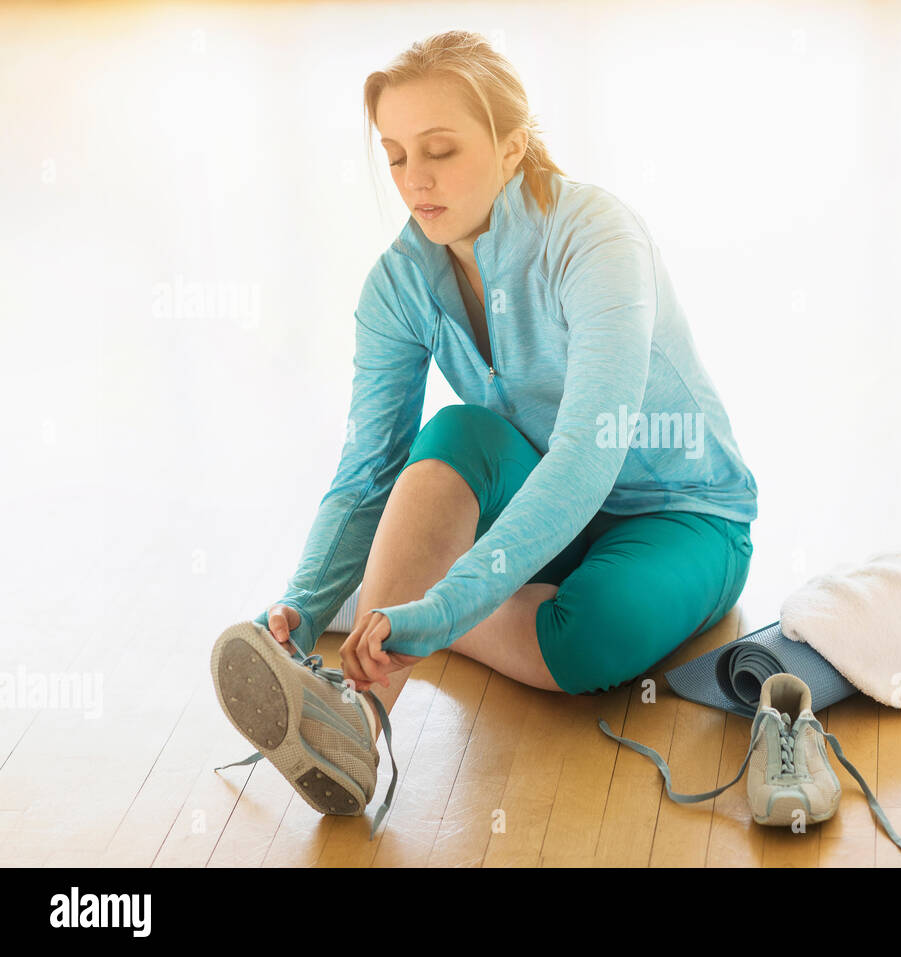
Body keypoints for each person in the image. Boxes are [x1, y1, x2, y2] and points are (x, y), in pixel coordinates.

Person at [223, 29, 757, 824]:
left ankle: (386, 591)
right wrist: (301, 605)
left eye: (440, 149)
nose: (414, 179)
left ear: (513, 149)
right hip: (533, 494)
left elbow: (586, 458)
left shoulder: (597, 237)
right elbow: (370, 469)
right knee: (455, 430)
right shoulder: (398, 283)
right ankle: (360, 719)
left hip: (681, 512)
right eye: (397, 154)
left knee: (586, 640)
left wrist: (438, 610)